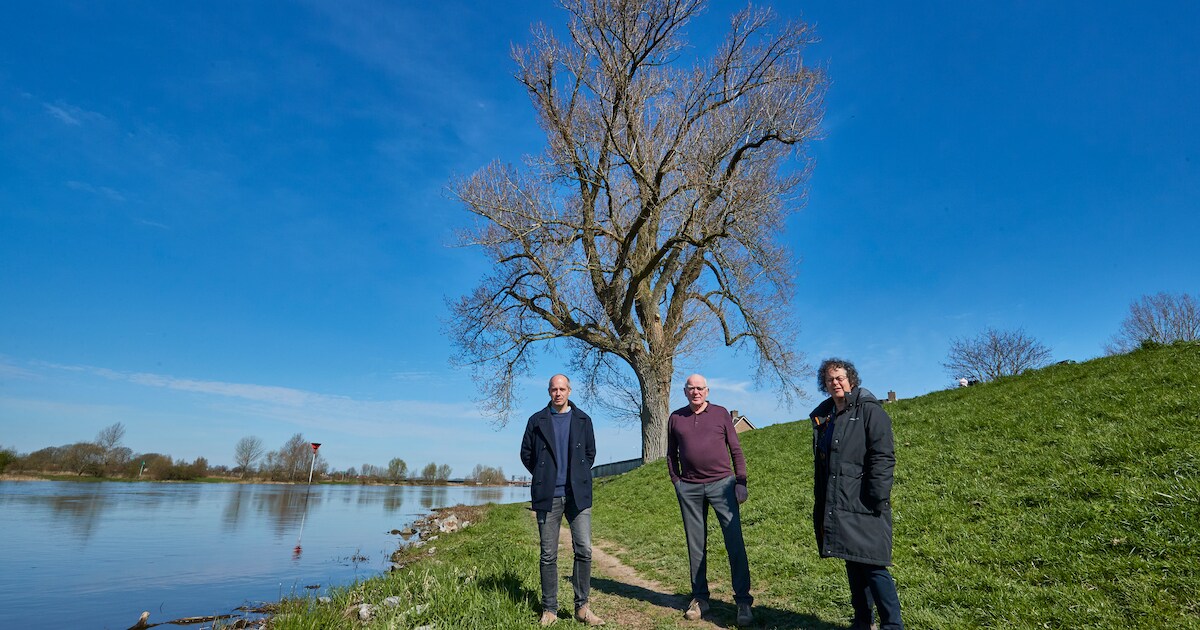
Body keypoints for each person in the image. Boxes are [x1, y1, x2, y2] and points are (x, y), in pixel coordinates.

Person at [810, 358, 904, 630]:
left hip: (864, 500)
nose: (835, 383)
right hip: (839, 500)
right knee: (853, 562)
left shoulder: (869, 411)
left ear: (851, 379)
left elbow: (883, 456)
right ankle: (862, 621)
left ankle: (892, 625)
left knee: (874, 566)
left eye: (839, 377)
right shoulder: (826, 417)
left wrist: (877, 495)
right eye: (829, 379)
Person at [666, 373, 754, 626]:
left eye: (700, 388)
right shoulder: (676, 418)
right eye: (691, 388)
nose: (696, 392)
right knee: (696, 546)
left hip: (723, 485)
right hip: (690, 489)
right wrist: (677, 481)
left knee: (734, 542)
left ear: (707, 391)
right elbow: (671, 454)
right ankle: (700, 599)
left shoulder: (720, 413)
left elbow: (735, 449)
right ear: (685, 392)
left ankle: (743, 602)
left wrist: (741, 482)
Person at [520, 374, 605, 626]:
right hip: (548, 495)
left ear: (569, 391)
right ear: (549, 391)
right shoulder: (536, 421)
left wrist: (577, 475)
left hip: (578, 495)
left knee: (584, 550)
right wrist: (543, 475)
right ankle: (550, 610)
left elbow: (590, 453)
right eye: (554, 389)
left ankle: (582, 608)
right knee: (548, 554)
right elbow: (526, 454)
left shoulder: (583, 420)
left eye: (562, 389)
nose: (558, 393)